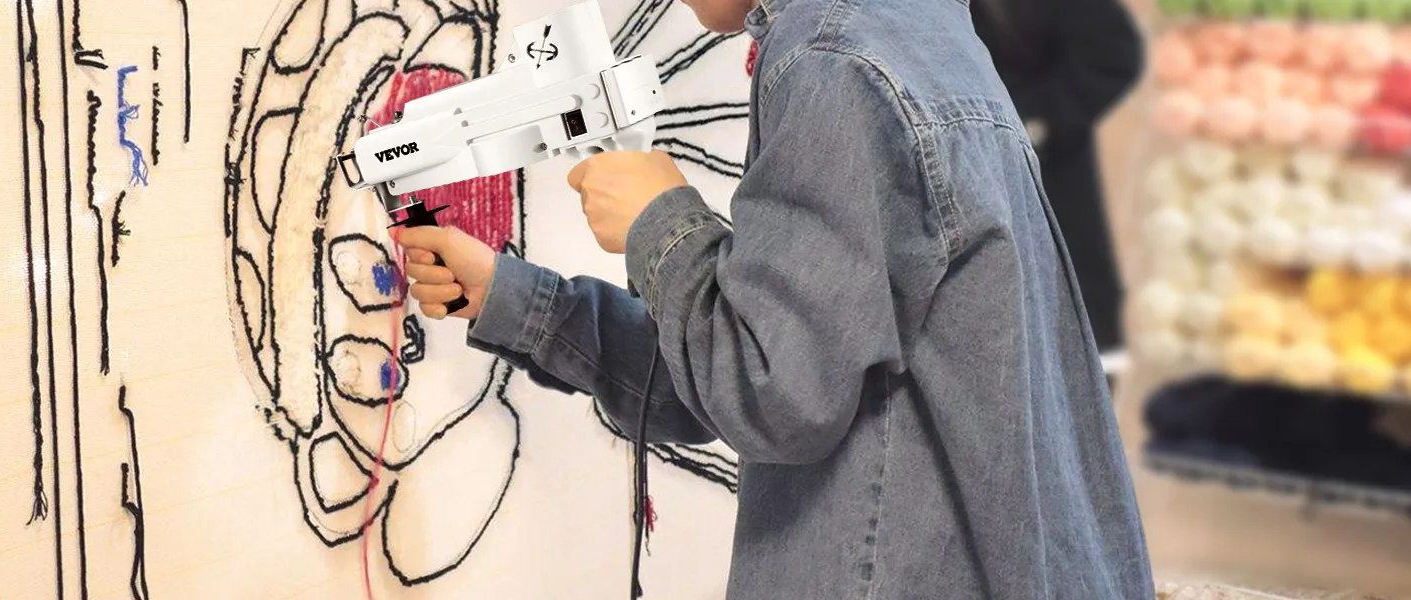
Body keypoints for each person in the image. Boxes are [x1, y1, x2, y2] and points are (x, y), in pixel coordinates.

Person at [397, 0, 1154, 598]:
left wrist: (662, 223)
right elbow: (734, 386)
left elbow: (768, 396)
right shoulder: (908, 37)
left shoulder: (835, 59)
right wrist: (510, 297)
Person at [972, 0, 1144, 370]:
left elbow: (1111, 56)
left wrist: (1030, 120)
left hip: (1046, 179)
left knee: (1066, 362)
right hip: (942, 194)